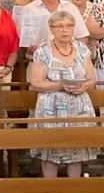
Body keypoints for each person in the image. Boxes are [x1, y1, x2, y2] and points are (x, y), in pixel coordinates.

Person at [30, 10, 99, 178]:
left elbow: (92, 79)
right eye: (59, 26)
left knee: (76, 151)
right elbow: (36, 83)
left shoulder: (82, 49)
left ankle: (74, 190)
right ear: (51, 28)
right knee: (50, 151)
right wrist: (60, 85)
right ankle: (51, 191)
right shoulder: (43, 51)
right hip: (51, 109)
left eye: (69, 25)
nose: (65, 30)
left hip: (79, 107)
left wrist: (83, 86)